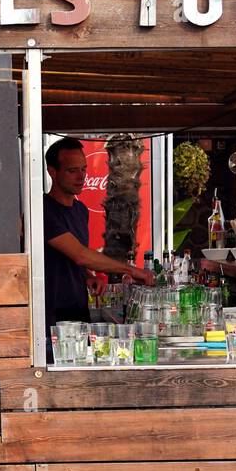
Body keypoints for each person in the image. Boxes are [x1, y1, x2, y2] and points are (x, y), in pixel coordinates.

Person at [43, 137, 154, 330]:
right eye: (72, 171)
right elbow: (80, 255)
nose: (81, 176)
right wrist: (132, 270)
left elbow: (71, 259)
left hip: (78, 310)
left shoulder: (80, 210)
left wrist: (87, 277)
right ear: (52, 172)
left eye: (83, 169)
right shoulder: (43, 210)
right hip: (50, 315)